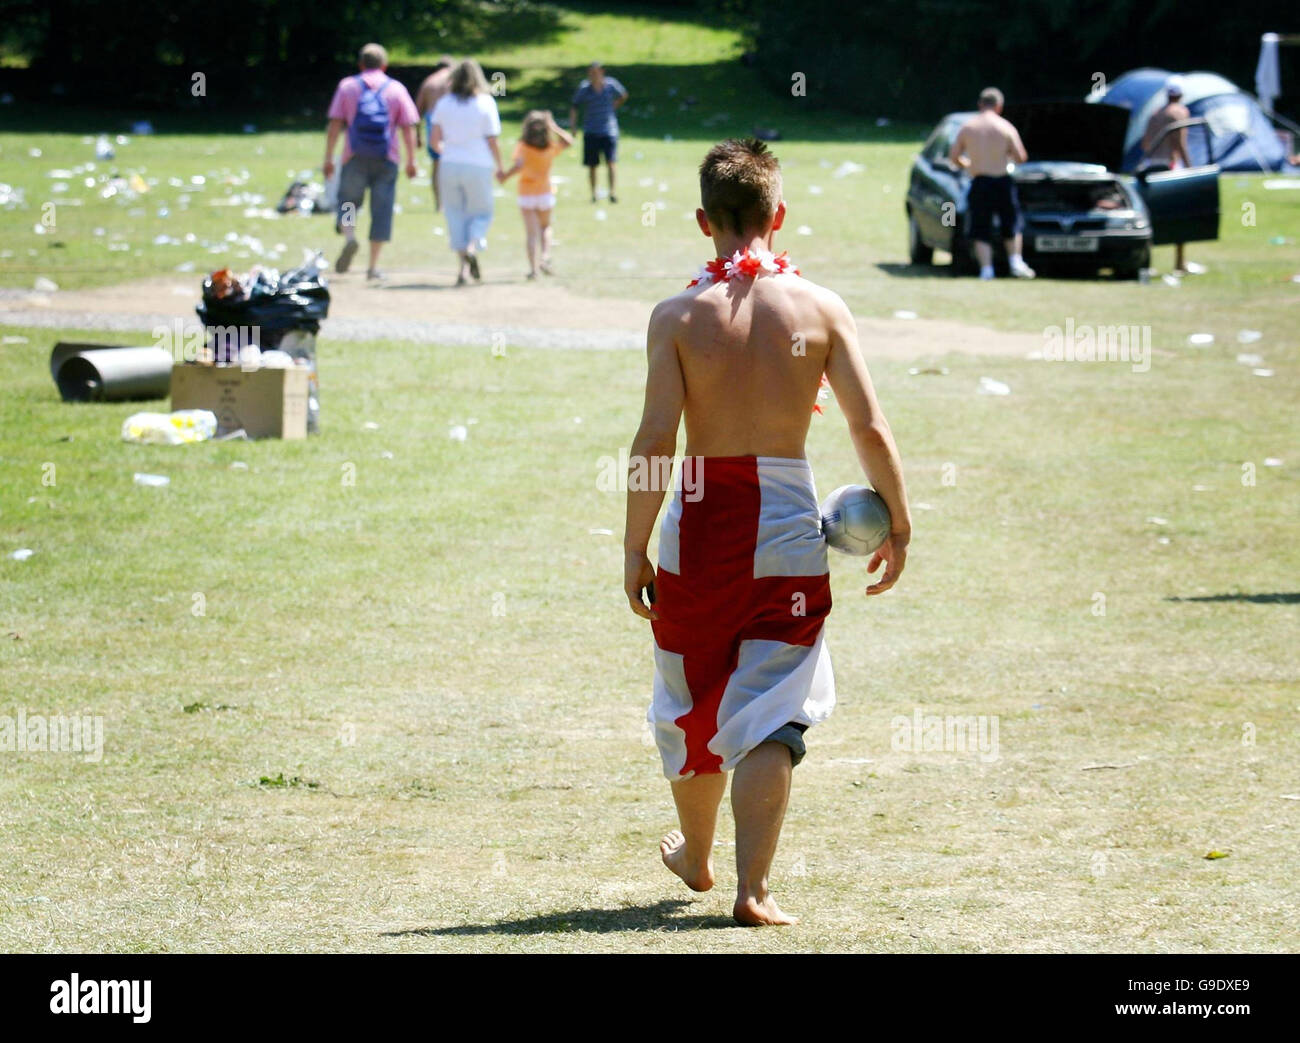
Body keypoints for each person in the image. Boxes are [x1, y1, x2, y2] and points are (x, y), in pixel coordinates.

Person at [624, 139, 911, 926]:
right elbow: (870, 426)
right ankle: (752, 889)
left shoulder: (678, 316)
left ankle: (696, 854)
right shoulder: (819, 309)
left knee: (691, 692)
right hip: (786, 515)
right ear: (777, 216)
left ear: (702, 221)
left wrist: (632, 546)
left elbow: (654, 442)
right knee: (776, 704)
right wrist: (901, 519)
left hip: (698, 522)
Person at [324, 43, 419, 281]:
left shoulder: (347, 86)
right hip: (387, 158)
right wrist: (411, 160)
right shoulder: (396, 89)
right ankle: (373, 266)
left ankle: (349, 237)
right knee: (382, 210)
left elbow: (335, 124)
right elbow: (408, 127)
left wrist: (328, 158)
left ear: (360, 64)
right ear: (384, 65)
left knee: (348, 202)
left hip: (353, 155)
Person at [431, 59, 506, 285]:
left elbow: (434, 141)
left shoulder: (444, 103)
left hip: (450, 164)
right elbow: (492, 140)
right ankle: (473, 246)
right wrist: (500, 166)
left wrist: (449, 152)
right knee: (481, 212)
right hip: (478, 164)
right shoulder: (485, 102)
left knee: (455, 214)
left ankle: (463, 268)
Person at [949, 87, 1036, 280]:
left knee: (981, 226)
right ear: (999, 106)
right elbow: (1021, 157)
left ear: (980, 105)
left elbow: (954, 156)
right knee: (1011, 224)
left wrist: (969, 165)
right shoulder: (1006, 127)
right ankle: (1015, 262)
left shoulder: (968, 127)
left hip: (979, 181)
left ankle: (986, 270)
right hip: (1002, 181)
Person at [499, 110, 574, 278]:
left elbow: (518, 166)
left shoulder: (522, 146)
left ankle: (533, 270)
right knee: (545, 227)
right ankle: (545, 256)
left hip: (526, 194)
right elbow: (569, 141)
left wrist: (505, 176)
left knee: (531, 234)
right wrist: (554, 127)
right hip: (545, 193)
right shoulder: (550, 146)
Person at [1141, 76, 1193, 274]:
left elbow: (1145, 144)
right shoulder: (1180, 112)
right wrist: (1190, 168)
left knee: (1151, 216)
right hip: (1170, 166)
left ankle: (1147, 262)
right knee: (1180, 213)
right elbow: (1180, 143)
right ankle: (1180, 262)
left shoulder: (1154, 114)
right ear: (1181, 94)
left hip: (1151, 165)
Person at [569, 62, 628, 203]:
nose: (593, 75)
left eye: (595, 72)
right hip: (591, 130)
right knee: (592, 166)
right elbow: (574, 106)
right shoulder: (585, 88)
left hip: (609, 130)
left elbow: (623, 95)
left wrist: (615, 105)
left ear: (602, 72)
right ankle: (594, 193)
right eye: (590, 72)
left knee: (611, 162)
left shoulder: (611, 85)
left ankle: (612, 193)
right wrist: (573, 126)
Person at [416, 56, 455, 212]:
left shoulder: (429, 81)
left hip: (432, 121)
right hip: (451, 121)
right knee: (454, 162)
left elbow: (417, 110)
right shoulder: (454, 80)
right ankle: (453, 202)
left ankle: (439, 204)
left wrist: (417, 135)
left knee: (437, 164)